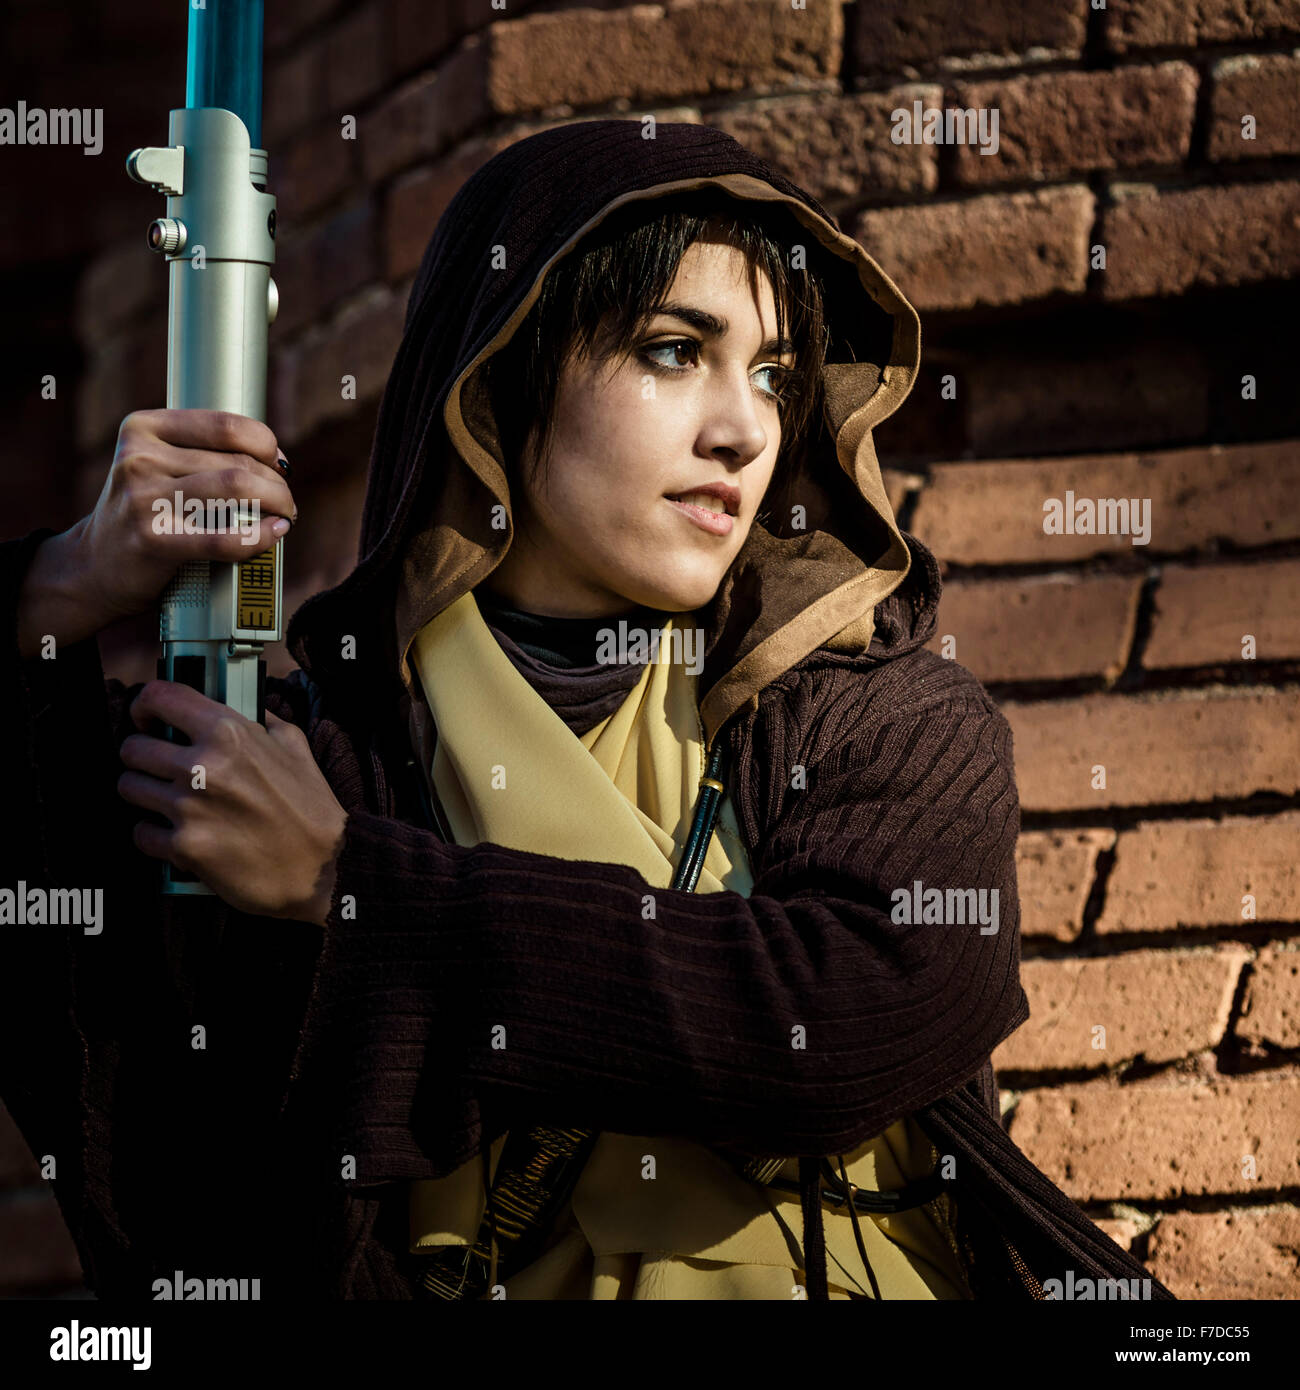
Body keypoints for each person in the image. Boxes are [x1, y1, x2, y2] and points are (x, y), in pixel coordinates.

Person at [1, 118, 1173, 1301]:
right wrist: (59, 583)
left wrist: (357, 892)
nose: (745, 427)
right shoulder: (303, 762)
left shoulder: (868, 712)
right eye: (675, 349)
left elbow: (843, 1014)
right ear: (500, 376)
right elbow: (156, 1150)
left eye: (773, 374)